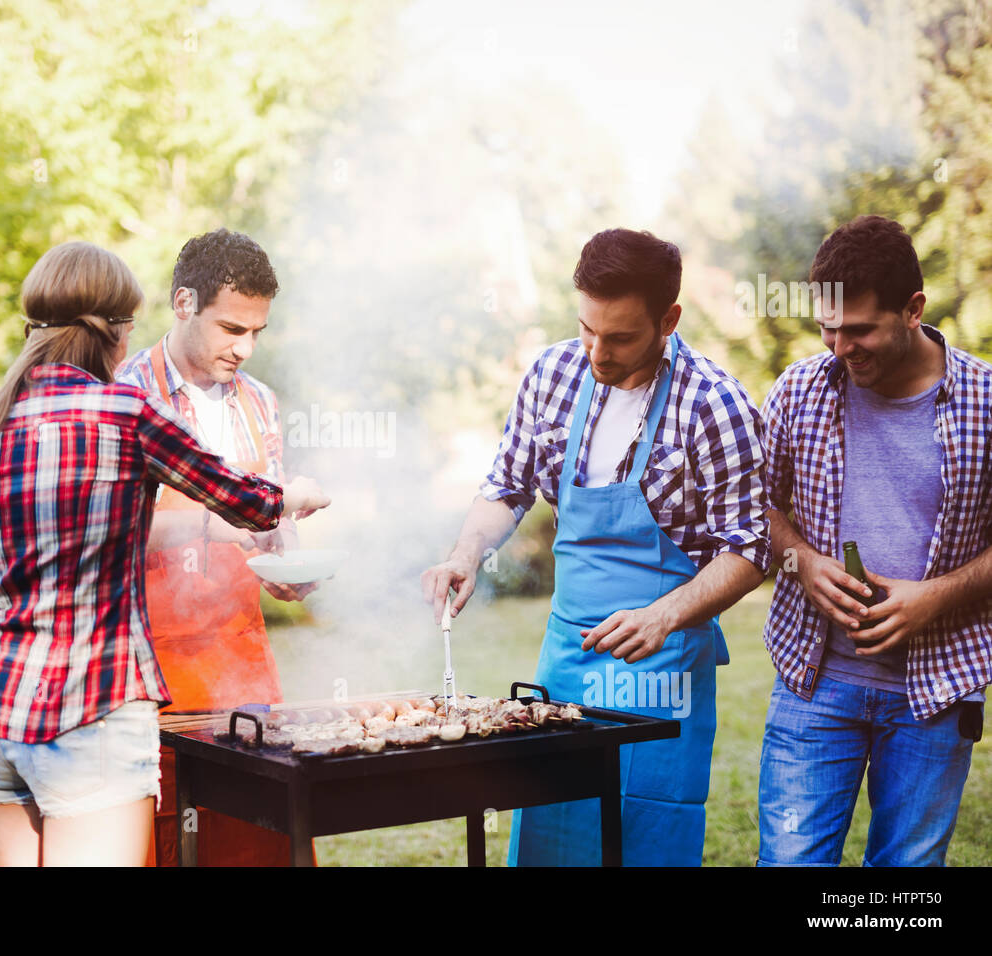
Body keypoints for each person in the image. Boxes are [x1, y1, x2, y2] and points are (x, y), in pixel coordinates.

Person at [0, 241, 328, 866]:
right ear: (117, 332)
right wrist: (293, 499)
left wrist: (3, 610)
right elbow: (244, 501)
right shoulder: (125, 409)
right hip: (95, 708)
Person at [422, 228, 769, 866]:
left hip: (661, 665)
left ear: (669, 319)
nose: (597, 352)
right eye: (587, 328)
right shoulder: (554, 374)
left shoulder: (714, 406)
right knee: (552, 832)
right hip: (567, 658)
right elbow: (506, 485)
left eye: (620, 337)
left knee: (644, 837)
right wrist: (465, 554)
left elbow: (751, 549)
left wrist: (663, 616)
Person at [757, 215, 991, 866]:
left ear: (912, 310)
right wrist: (800, 559)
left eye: (858, 330)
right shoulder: (799, 392)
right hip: (814, 679)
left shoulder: (985, 400)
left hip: (936, 691)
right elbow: (759, 506)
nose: (839, 347)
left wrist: (934, 598)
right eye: (828, 328)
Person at [117, 227, 330, 867]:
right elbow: (108, 526)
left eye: (257, 332)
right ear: (183, 304)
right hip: (151, 661)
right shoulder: (125, 394)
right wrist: (217, 525)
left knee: (260, 832)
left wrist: (283, 561)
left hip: (241, 654)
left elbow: (269, 514)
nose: (245, 348)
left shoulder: (259, 402)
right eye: (231, 329)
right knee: (161, 835)